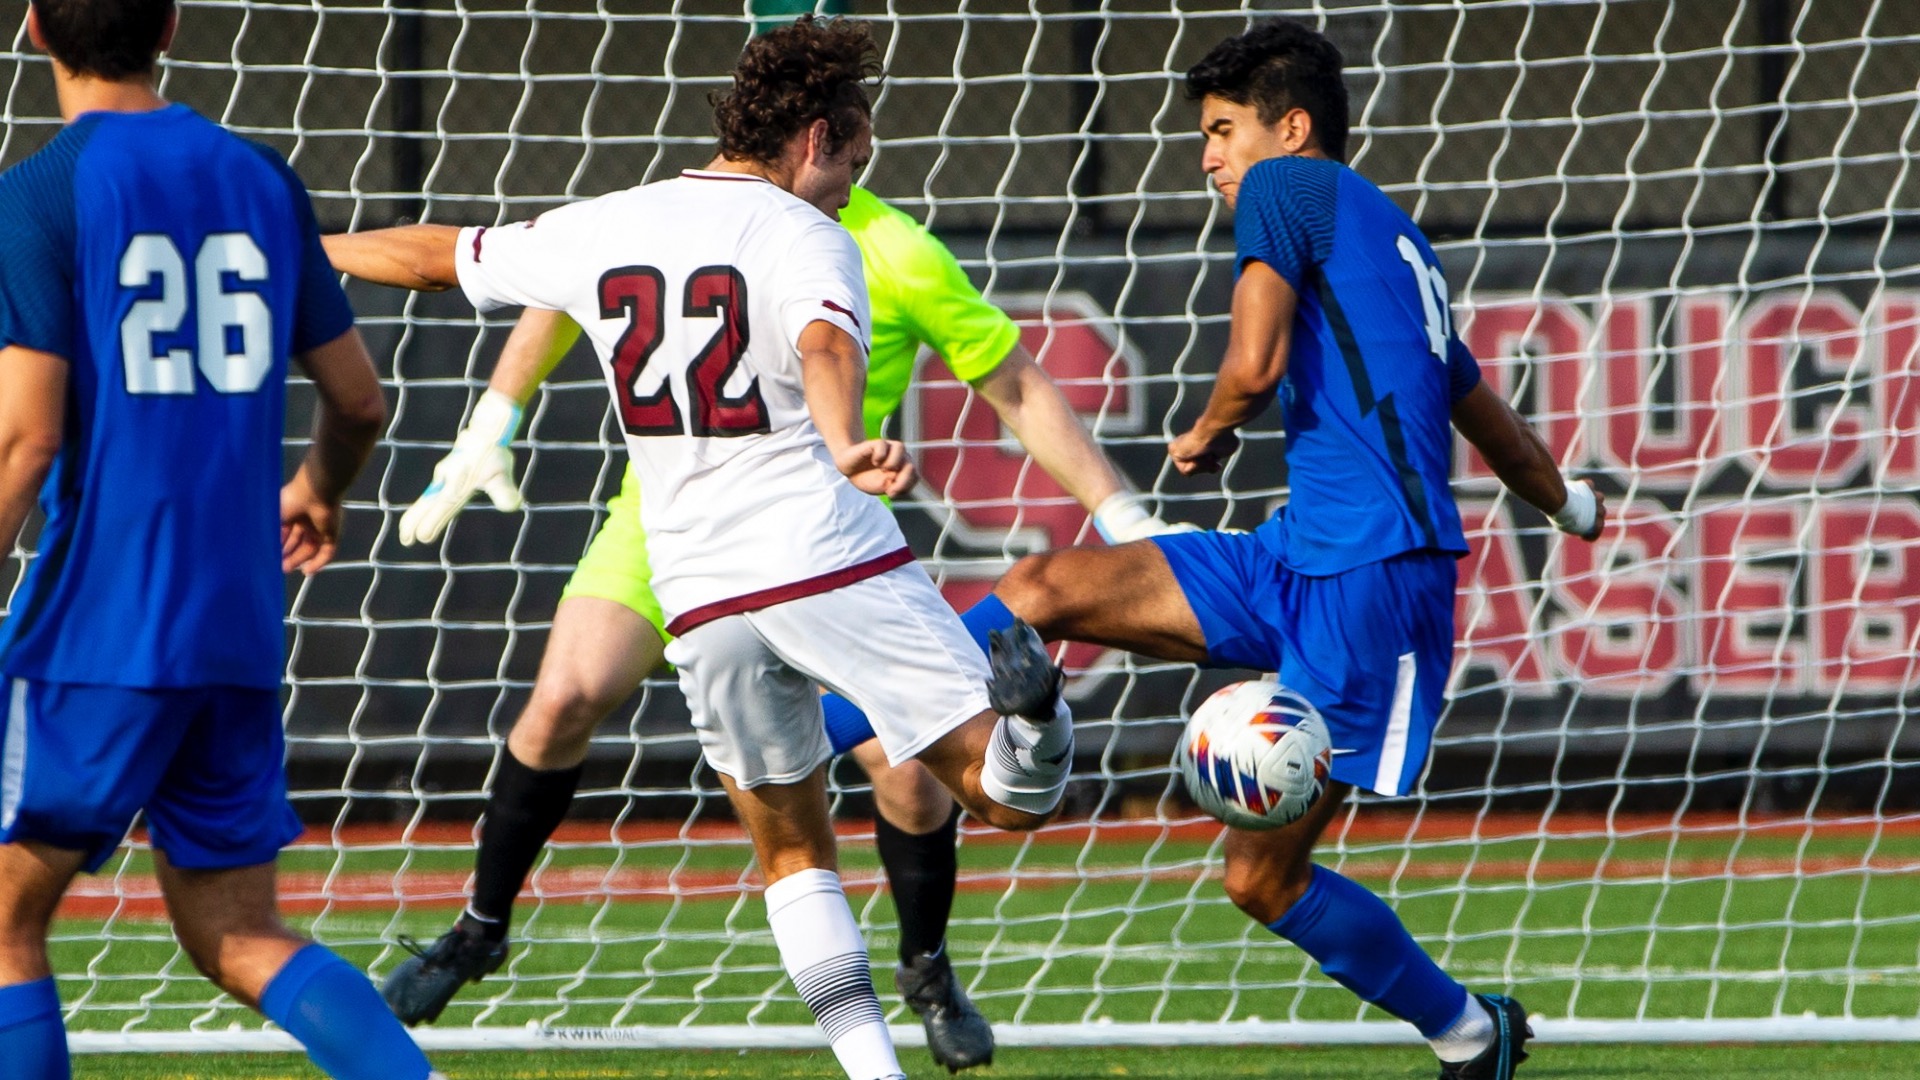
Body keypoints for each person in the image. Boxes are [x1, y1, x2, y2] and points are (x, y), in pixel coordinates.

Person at [818, 20, 1608, 1080]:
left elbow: (1254, 356)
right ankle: (838, 711)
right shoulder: (1400, 239)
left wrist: (1209, 427)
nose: (1208, 155)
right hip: (1295, 554)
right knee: (1041, 587)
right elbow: (1482, 410)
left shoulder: (1290, 190)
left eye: (1222, 129)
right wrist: (1572, 508)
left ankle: (1472, 1034)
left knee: (1260, 881)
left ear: (1292, 128)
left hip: (1373, 578)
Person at [322, 19, 1080, 1080]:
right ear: (817, 137)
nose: (855, 183)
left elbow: (437, 256)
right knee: (1013, 794)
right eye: (856, 159)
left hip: (696, 595)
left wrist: (299, 248)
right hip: (822, 557)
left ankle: (875, 1070)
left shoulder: (609, 219)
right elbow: (822, 346)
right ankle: (1040, 712)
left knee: (790, 851)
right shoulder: (809, 234)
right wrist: (842, 440)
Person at [0, 2, 443, 1078]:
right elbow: (361, 400)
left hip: (100, 627)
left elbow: (25, 437)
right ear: (170, 24)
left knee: (6, 919)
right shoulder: (260, 176)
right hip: (235, 628)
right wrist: (319, 490)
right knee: (236, 933)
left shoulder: (40, 191)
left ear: (31, 30)